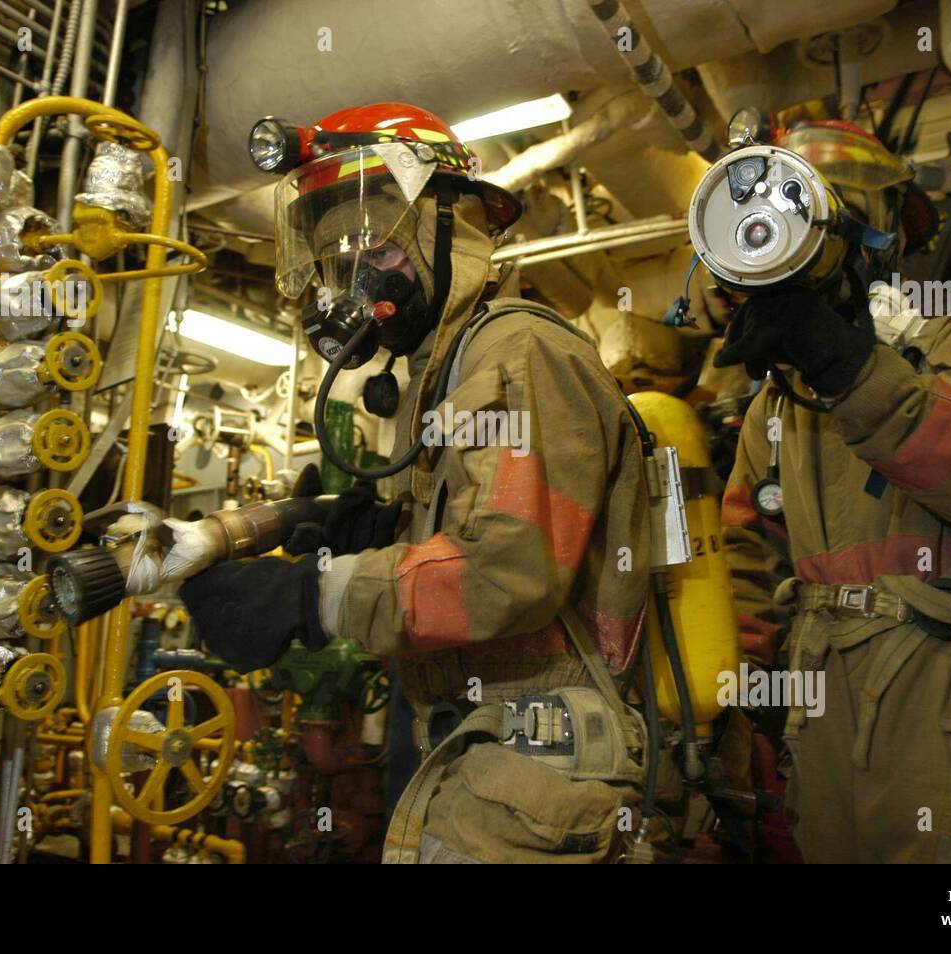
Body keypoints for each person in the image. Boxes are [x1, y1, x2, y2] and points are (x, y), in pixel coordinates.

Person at [180, 103, 652, 863]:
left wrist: (316, 595)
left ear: (448, 223)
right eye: (335, 252)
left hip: (537, 766)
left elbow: (510, 569)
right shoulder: (451, 367)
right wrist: (374, 533)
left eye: (374, 240)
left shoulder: (515, 352)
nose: (354, 273)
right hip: (484, 752)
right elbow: (473, 540)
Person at [714, 121, 951, 862]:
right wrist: (750, 706)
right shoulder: (780, 405)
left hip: (949, 680)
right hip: (820, 705)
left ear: (878, 230)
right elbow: (752, 562)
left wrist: (848, 368)